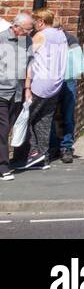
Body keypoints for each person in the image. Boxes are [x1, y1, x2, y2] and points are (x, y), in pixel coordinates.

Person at [19, 8, 68, 171]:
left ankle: (32, 153)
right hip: (55, 84)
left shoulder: (41, 35)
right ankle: (43, 157)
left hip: (39, 83)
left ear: (40, 21)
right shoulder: (61, 35)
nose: (33, 25)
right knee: (44, 120)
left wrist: (27, 86)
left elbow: (29, 61)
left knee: (26, 118)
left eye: (34, 22)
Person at [0, 14, 34, 181]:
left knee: (8, 128)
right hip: (1, 91)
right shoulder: (1, 39)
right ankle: (3, 167)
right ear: (16, 27)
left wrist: (28, 87)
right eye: (27, 30)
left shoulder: (26, 40)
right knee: (3, 129)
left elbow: (29, 64)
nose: (30, 33)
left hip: (18, 92)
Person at [48, 26, 84, 164]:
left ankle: (66, 147)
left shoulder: (70, 39)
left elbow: (77, 65)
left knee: (68, 115)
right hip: (50, 81)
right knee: (49, 115)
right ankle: (52, 146)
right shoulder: (45, 38)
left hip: (67, 81)